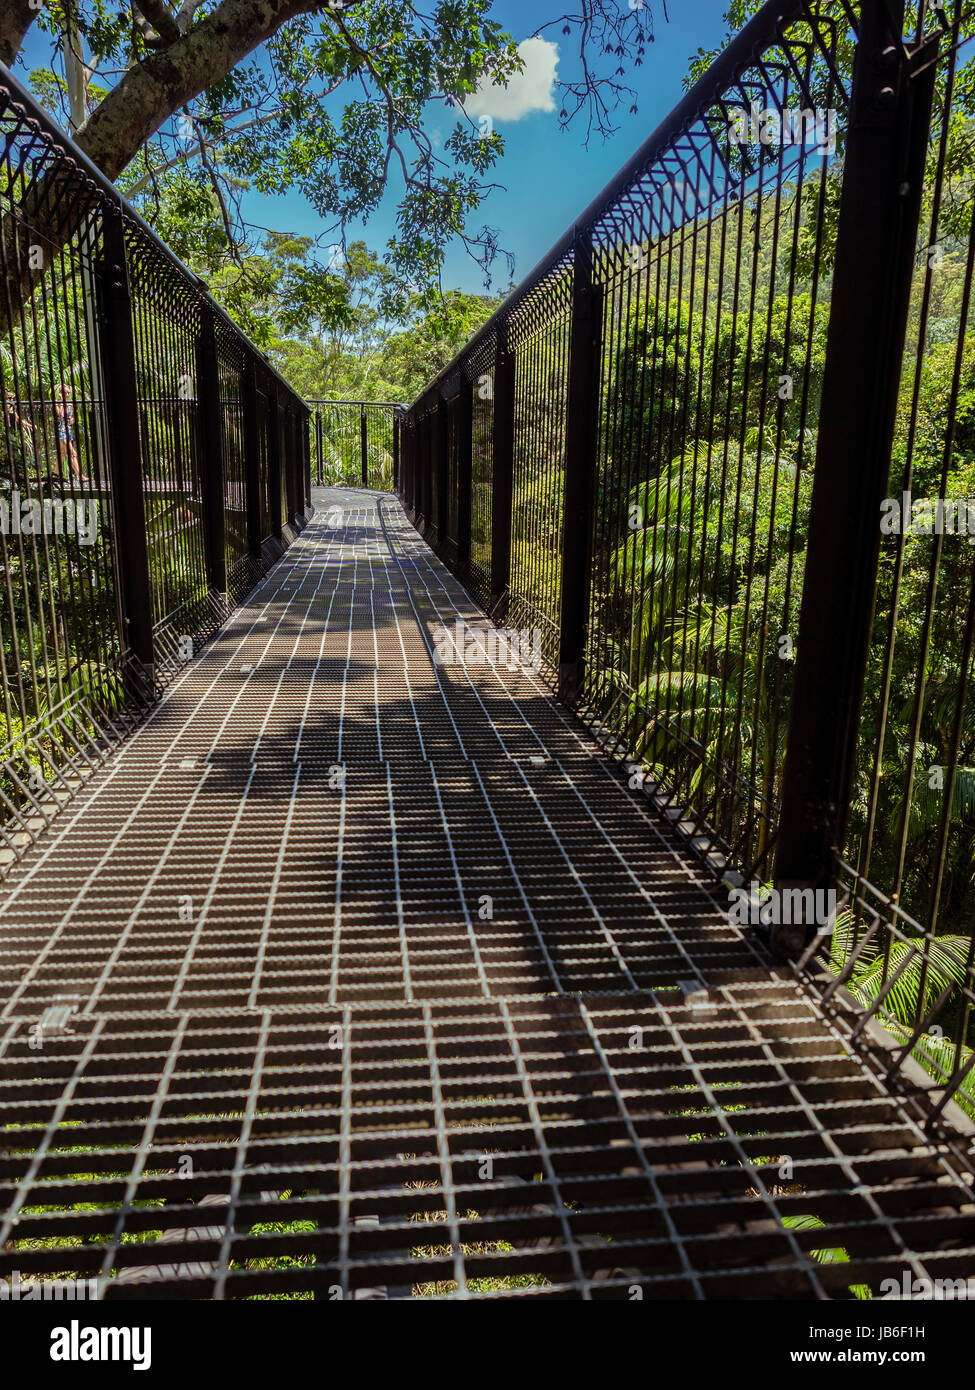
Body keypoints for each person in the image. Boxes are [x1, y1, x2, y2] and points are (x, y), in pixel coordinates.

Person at [54, 383, 83, 481]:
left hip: (68, 431)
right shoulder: (58, 403)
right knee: (73, 453)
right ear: (61, 393)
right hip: (61, 431)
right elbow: (61, 414)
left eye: (68, 393)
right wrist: (62, 401)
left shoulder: (71, 404)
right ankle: (80, 476)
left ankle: (55, 475)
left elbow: (73, 417)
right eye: (65, 393)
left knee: (62, 454)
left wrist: (72, 419)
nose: (67, 395)